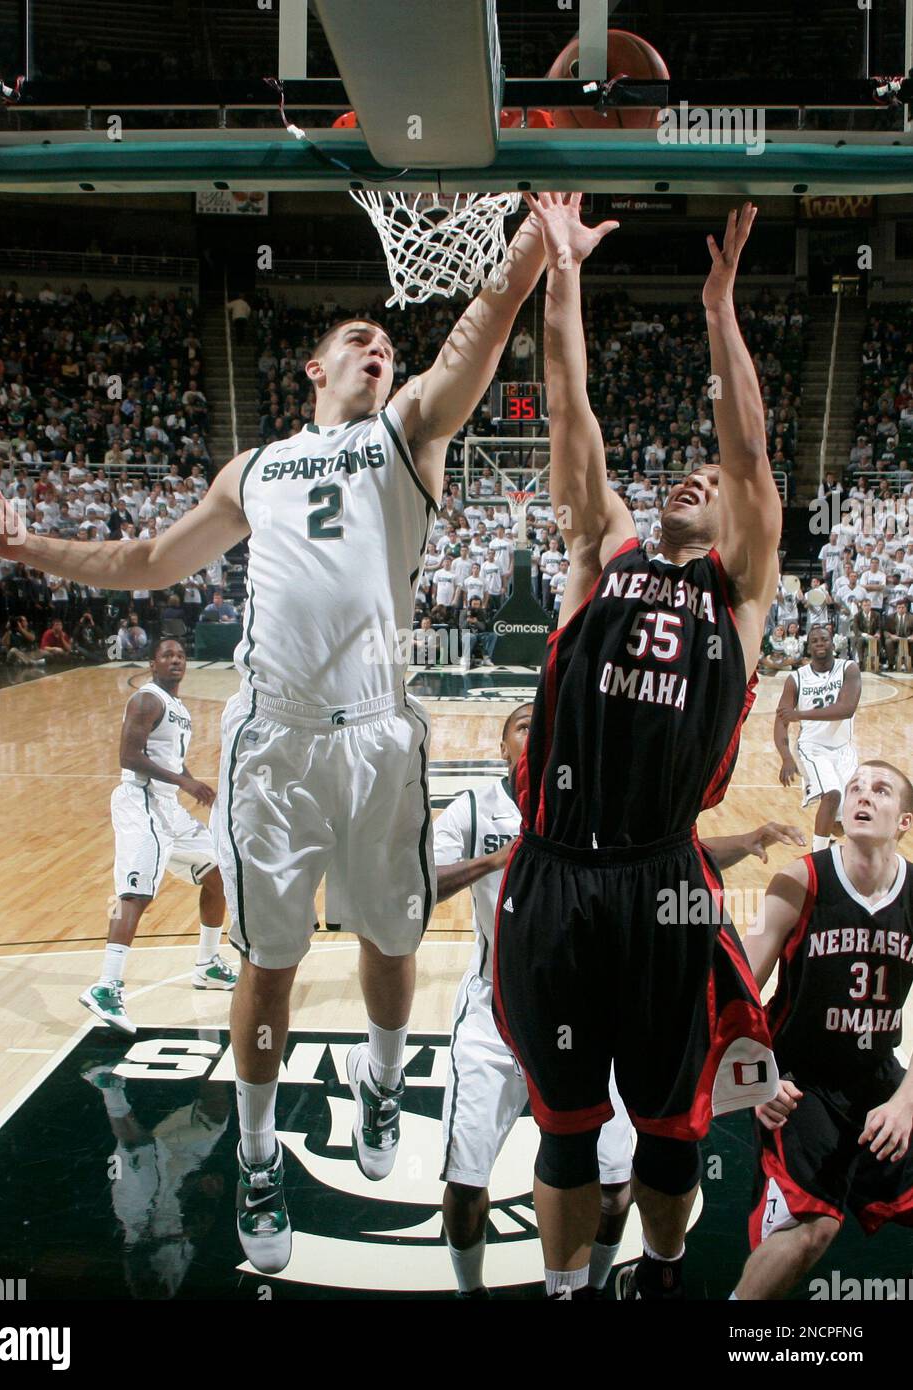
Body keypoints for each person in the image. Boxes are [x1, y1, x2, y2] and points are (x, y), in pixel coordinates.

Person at [0, 206, 550, 1277]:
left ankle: (379, 1080)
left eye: (388, 343)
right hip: (272, 744)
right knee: (268, 963)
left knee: (390, 939)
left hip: (378, 736)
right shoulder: (254, 469)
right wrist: (25, 544)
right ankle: (264, 1153)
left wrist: (524, 253)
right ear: (314, 366)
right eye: (358, 340)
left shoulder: (408, 431)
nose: (380, 348)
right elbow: (145, 556)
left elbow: (473, 342)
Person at [492, 197, 782, 1302]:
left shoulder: (740, 595)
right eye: (685, 477)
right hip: (558, 871)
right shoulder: (598, 550)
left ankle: (659, 1277)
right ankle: (568, 1291)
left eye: (710, 487)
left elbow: (747, 449)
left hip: (666, 881)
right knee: (562, 1127)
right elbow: (569, 411)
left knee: (670, 1130)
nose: (695, 481)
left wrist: (720, 308)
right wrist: (562, 277)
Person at [435, 704, 806, 1299]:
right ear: (503, 747)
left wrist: (749, 838)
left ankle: (599, 1286)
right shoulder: (473, 809)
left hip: (589, 1007)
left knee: (613, 1184)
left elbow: (671, 855)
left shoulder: (590, 801)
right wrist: (497, 859)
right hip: (493, 1003)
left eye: (544, 723)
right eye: (523, 726)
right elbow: (419, 884)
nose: (537, 733)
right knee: (464, 1178)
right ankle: (468, 1292)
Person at [732, 761, 913, 1300]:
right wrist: (755, 1081)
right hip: (798, 1078)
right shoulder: (799, 878)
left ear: (903, 821)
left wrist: (907, 1100)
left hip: (877, 1076)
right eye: (855, 787)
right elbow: (735, 997)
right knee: (815, 1226)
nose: (862, 795)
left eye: (879, 791)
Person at [79, 638, 237, 1034]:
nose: (176, 661)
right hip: (141, 802)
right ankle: (106, 987)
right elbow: (129, 757)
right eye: (167, 655)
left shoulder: (177, 707)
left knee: (219, 870)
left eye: (181, 655)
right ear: (153, 663)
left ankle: (206, 965)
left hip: (167, 806)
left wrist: (186, 781)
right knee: (135, 893)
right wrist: (186, 781)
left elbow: (168, 756)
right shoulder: (145, 700)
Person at [775, 625, 861, 851]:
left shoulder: (849, 669)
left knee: (841, 824)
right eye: (815, 641)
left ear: (833, 643)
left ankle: (828, 840)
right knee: (832, 794)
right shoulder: (796, 679)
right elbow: (781, 720)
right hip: (812, 748)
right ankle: (818, 854)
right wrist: (786, 757)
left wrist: (800, 714)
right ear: (809, 646)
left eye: (824, 639)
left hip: (844, 750)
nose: (820, 643)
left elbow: (846, 709)